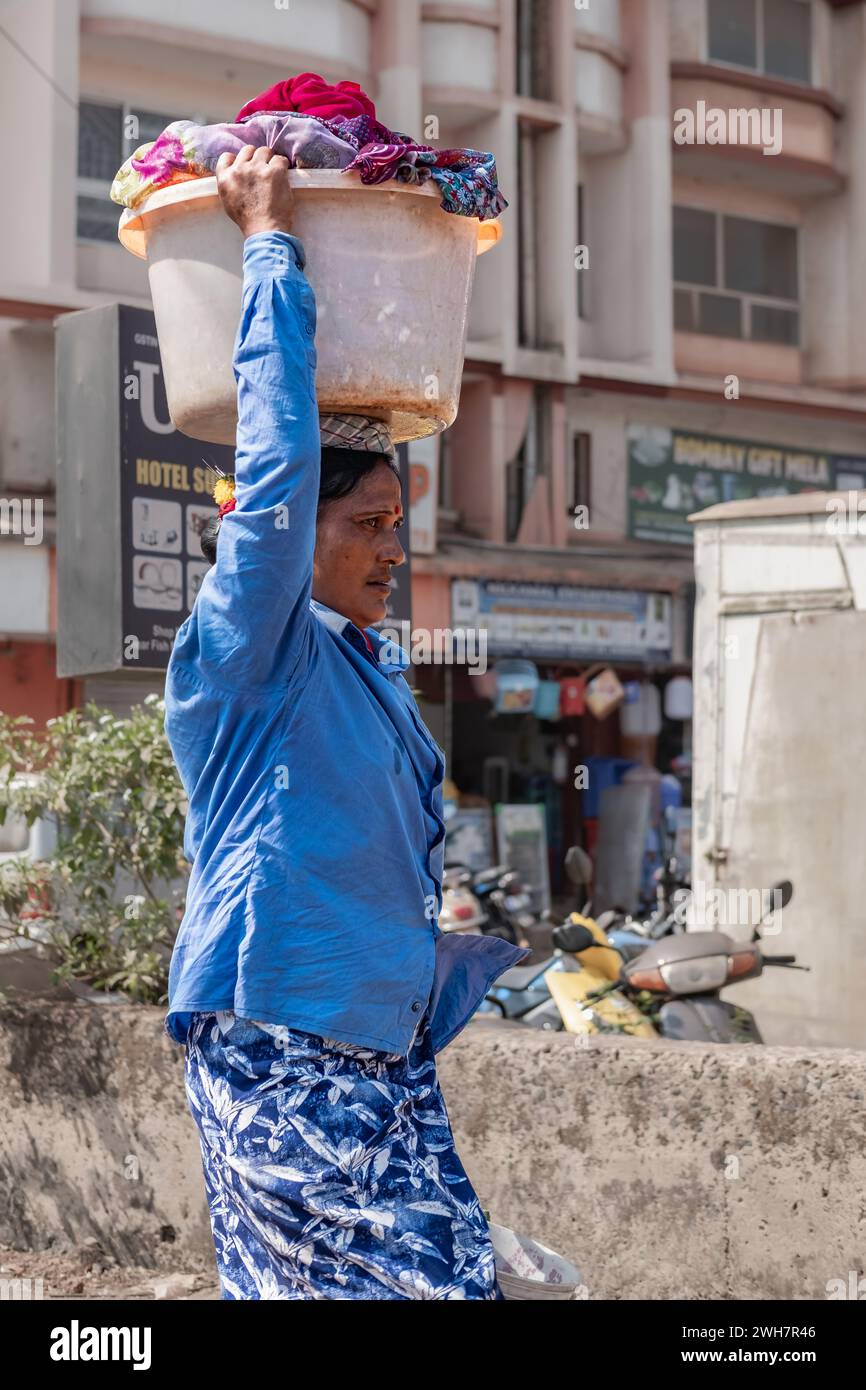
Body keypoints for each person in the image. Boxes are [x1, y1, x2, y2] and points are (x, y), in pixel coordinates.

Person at [162, 144, 529, 1300]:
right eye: (367, 521)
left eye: (396, 523)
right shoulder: (251, 651)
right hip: (281, 1047)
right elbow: (270, 481)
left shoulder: (356, 665)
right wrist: (271, 248)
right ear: (295, 537)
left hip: (380, 1060)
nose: (391, 546)